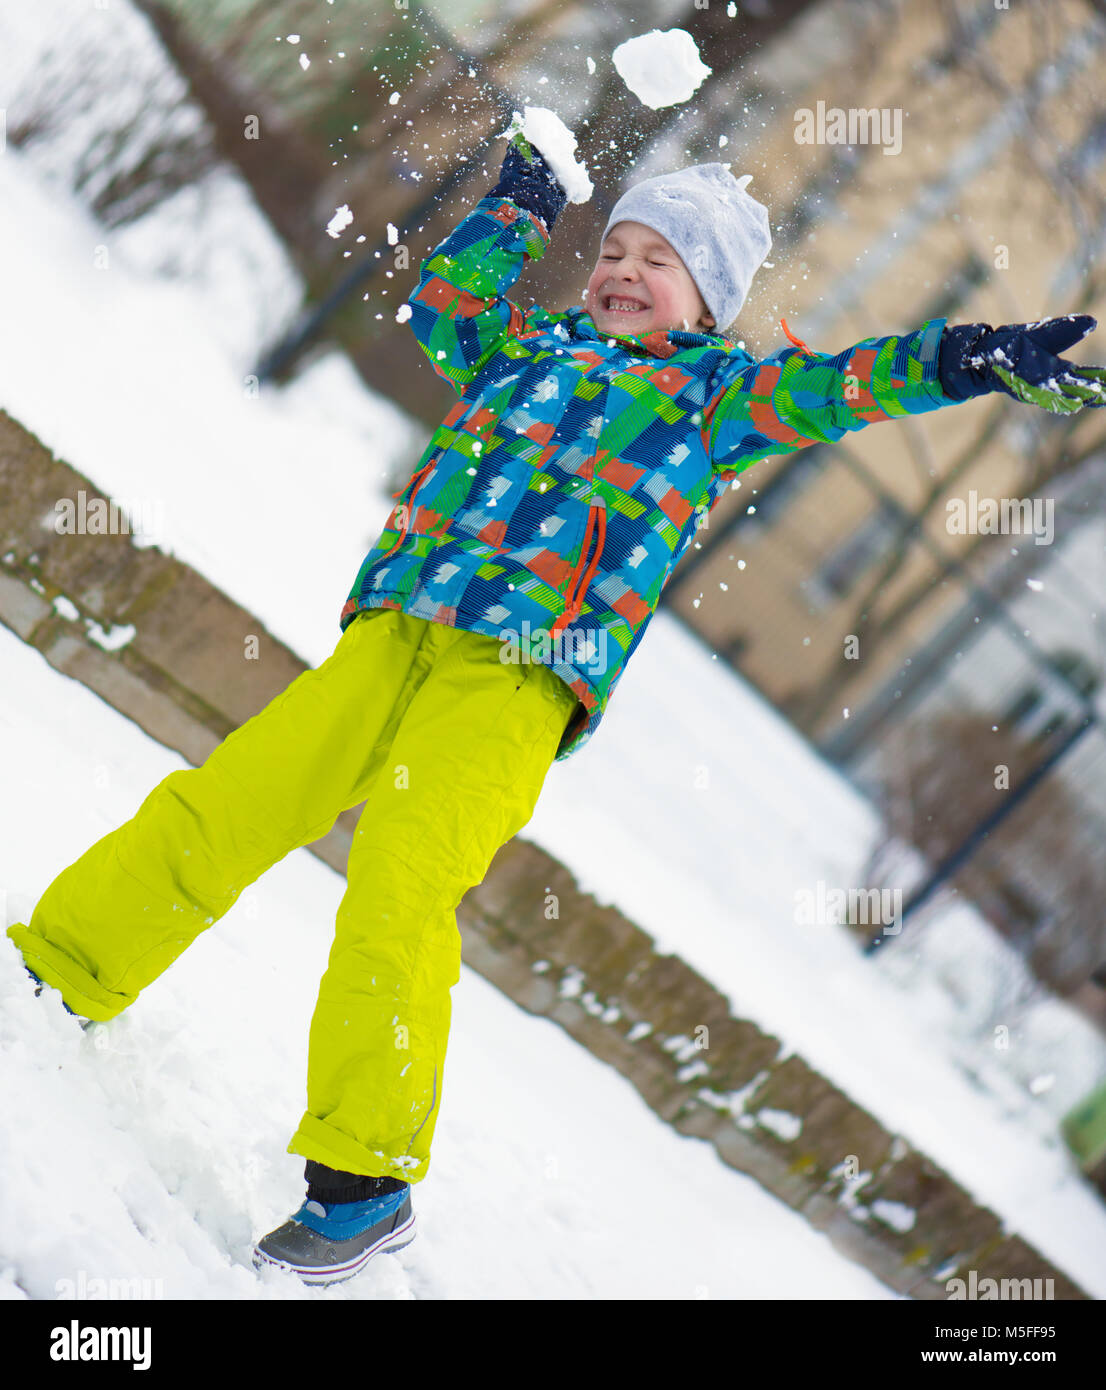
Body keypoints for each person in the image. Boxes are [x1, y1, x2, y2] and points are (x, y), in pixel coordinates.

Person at [6, 131, 1103, 1288]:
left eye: (659, 261)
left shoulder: (714, 397)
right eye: (614, 247)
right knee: (221, 804)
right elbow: (441, 306)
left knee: (399, 892)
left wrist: (969, 355)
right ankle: (63, 967)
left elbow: (841, 387)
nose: (624, 269)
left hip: (519, 675)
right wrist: (515, 208)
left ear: (705, 301)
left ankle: (362, 1184)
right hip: (398, 629)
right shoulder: (520, 347)